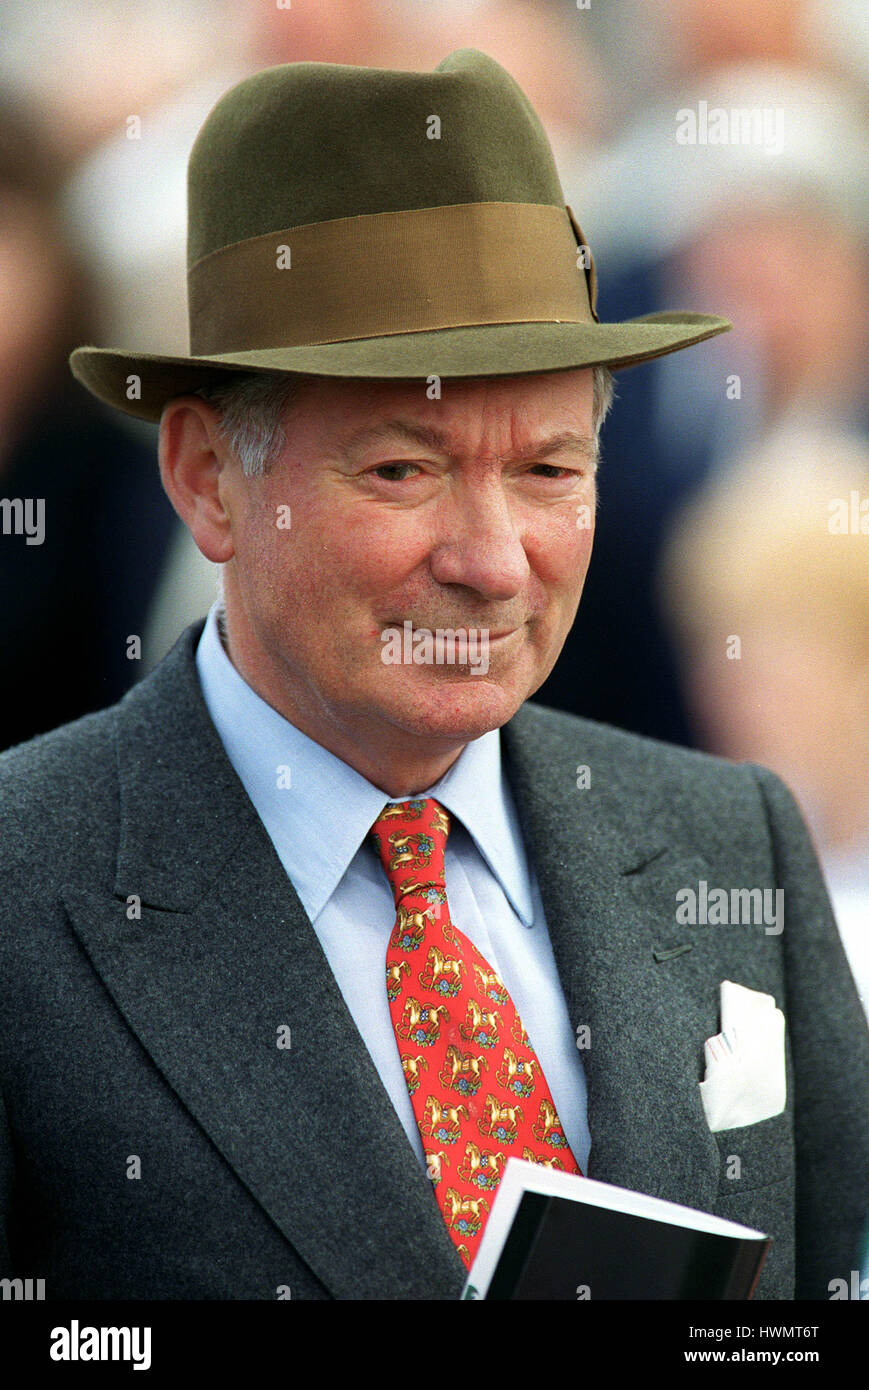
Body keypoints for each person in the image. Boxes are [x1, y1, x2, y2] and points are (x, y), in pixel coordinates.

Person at [0, 49, 866, 1302]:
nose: (492, 560)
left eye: (549, 470)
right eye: (401, 470)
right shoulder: (29, 893)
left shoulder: (733, 845)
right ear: (206, 479)